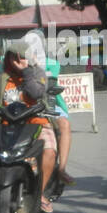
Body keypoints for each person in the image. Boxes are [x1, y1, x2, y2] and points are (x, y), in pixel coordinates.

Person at [0, 42, 58, 212]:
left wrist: (26, 71)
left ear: (27, 57)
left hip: (36, 122)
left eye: (20, 56)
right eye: (13, 57)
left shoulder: (38, 73)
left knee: (50, 151)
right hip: (7, 124)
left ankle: (41, 194)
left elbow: (36, 93)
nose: (16, 61)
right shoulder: (3, 78)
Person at [20, 30, 76, 186]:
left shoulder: (53, 64)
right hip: (24, 105)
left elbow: (48, 85)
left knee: (64, 124)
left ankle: (62, 169)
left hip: (49, 102)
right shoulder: (16, 62)